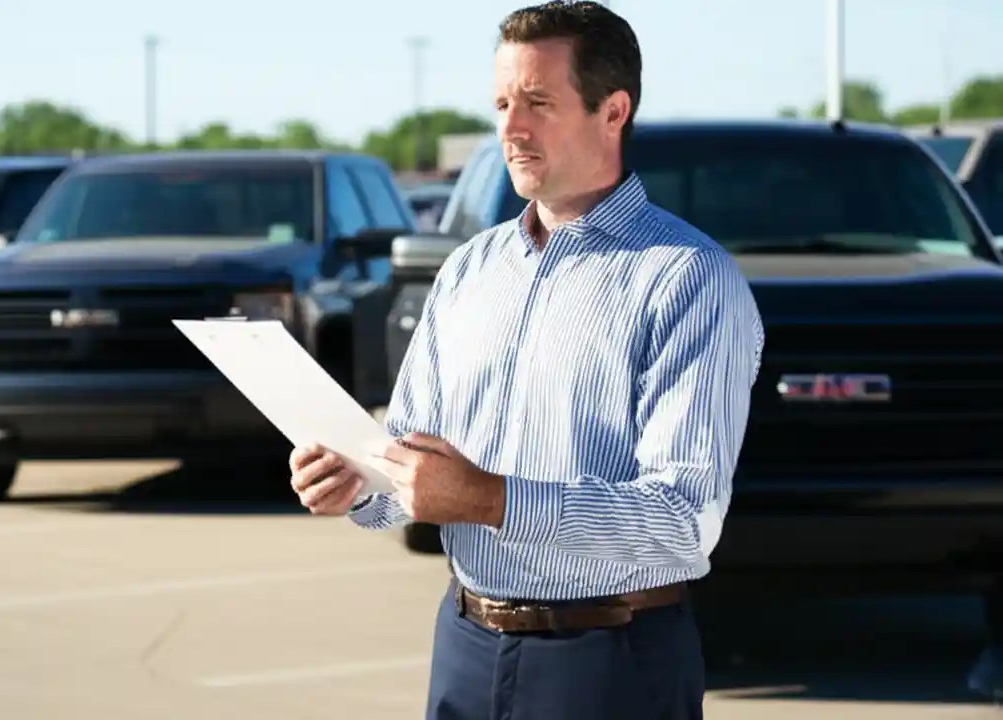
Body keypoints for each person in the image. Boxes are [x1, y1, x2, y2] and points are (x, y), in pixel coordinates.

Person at [289, 2, 764, 717]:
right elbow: (410, 461)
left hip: (613, 661)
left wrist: (488, 498)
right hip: (466, 643)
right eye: (504, 103)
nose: (511, 129)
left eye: (538, 102)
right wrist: (356, 483)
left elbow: (683, 517)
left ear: (613, 111)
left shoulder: (688, 278)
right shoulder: (469, 271)